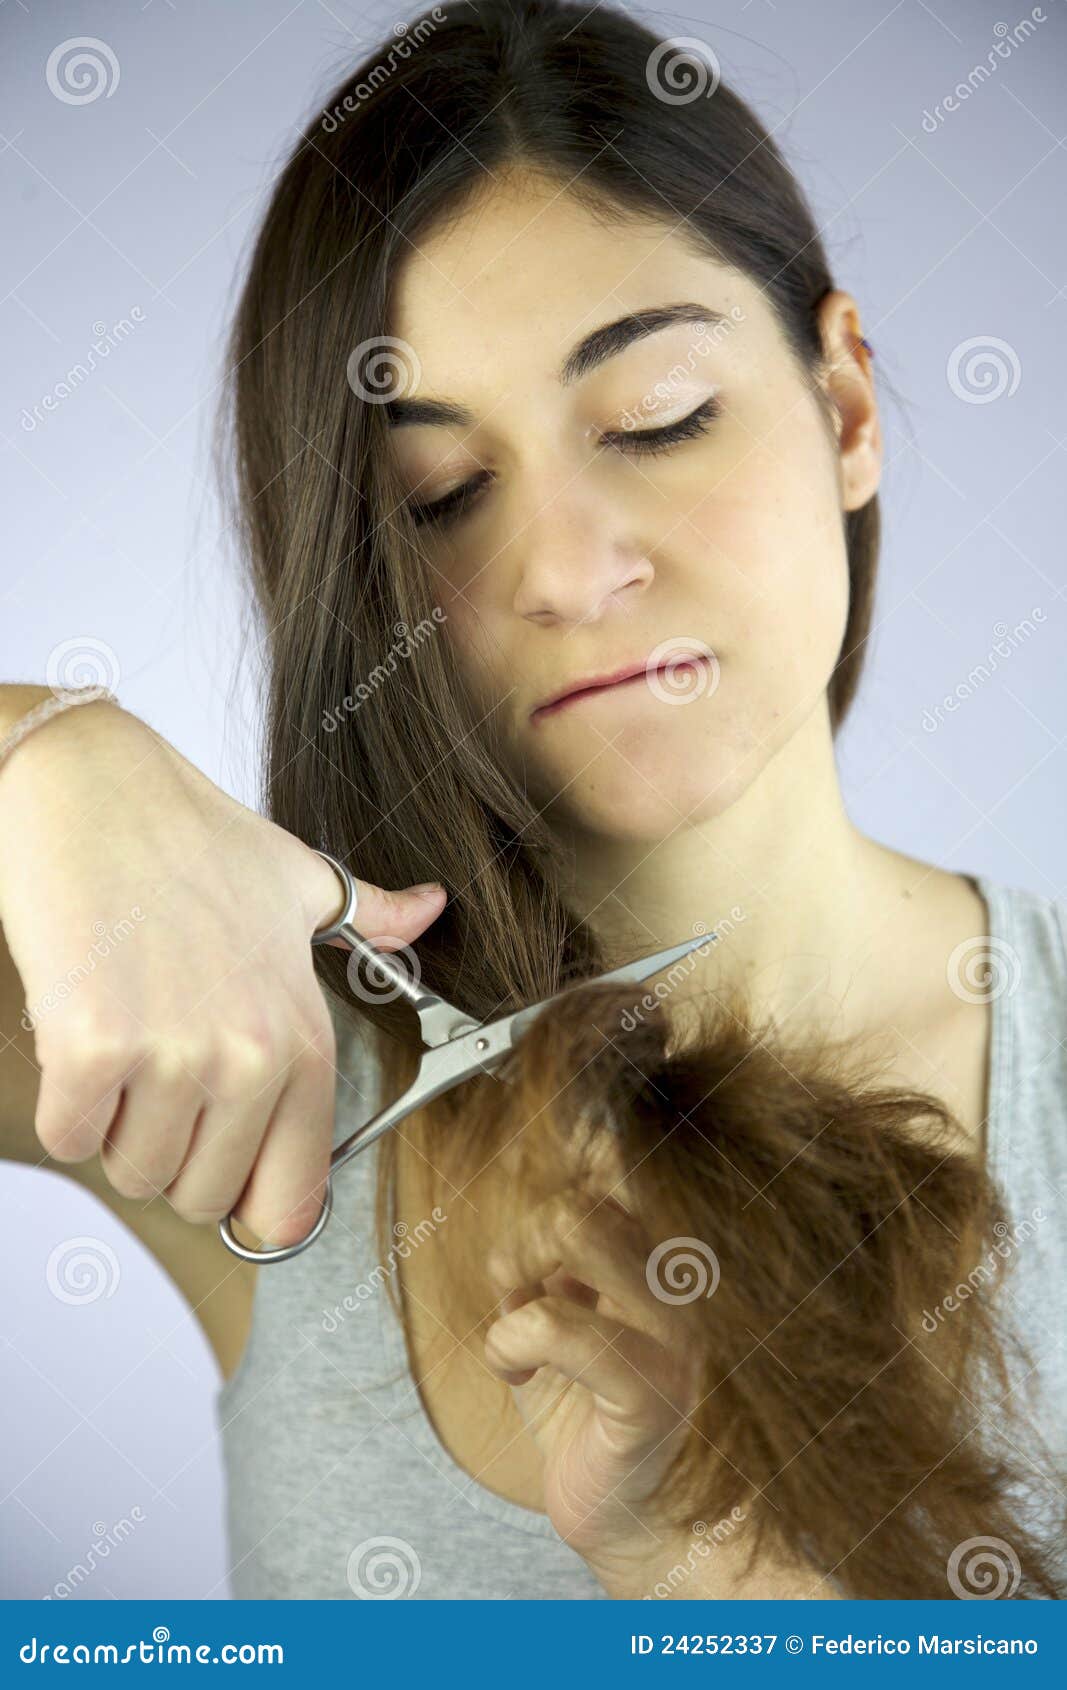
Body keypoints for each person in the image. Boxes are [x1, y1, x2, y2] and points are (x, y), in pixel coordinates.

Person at [2, 0, 1064, 1602]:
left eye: (657, 418)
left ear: (847, 407)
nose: (571, 571)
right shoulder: (247, 1062)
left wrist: (733, 1597)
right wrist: (55, 755)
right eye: (442, 497)